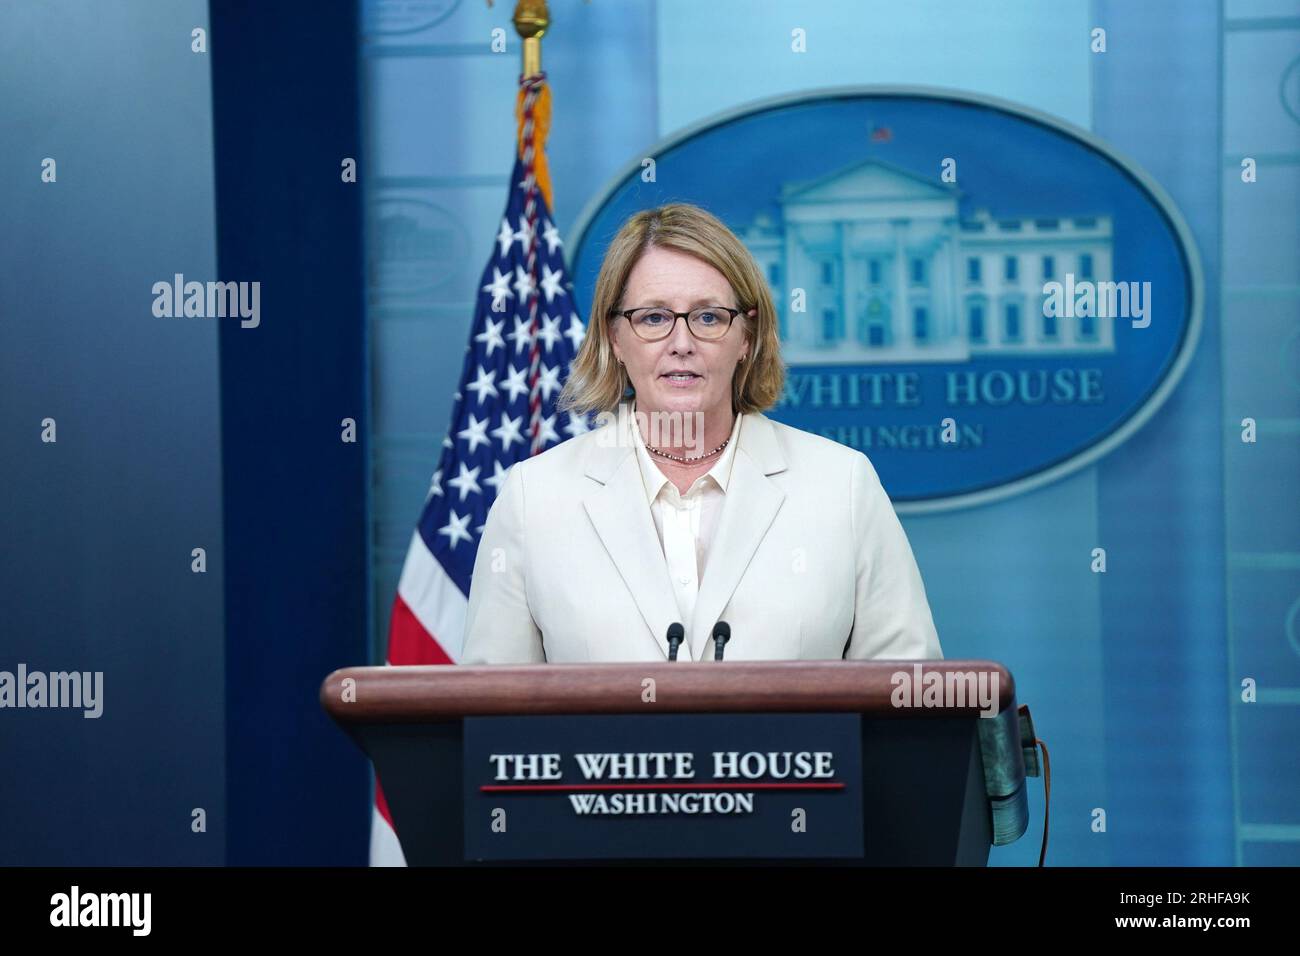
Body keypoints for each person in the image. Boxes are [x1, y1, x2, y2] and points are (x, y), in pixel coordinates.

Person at [461, 203, 941, 663]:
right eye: (653, 318)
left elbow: (910, 696)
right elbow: (488, 714)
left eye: (708, 317)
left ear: (746, 339)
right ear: (614, 339)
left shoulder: (842, 485)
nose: (682, 343)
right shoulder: (535, 497)